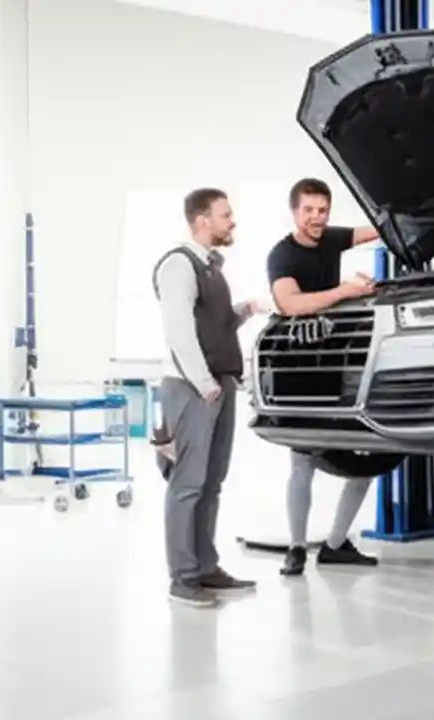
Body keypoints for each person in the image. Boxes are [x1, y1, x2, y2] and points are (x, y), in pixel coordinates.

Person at [266, 177, 384, 577]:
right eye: (309, 211)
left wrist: (397, 220)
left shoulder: (331, 238)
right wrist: (345, 292)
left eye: (323, 211)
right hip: (298, 367)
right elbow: (291, 303)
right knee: (302, 462)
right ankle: (296, 548)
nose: (316, 218)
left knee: (367, 460)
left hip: (334, 363)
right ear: (294, 211)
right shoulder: (282, 255)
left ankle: (335, 545)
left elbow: (372, 231)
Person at [153, 188, 260, 607]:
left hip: (219, 384)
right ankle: (182, 578)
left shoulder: (211, 268)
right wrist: (203, 383)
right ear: (203, 220)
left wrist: (247, 309)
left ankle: (205, 567)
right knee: (188, 484)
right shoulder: (179, 265)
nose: (232, 221)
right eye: (225, 214)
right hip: (192, 388)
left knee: (212, 481)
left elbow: (215, 325)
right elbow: (179, 332)